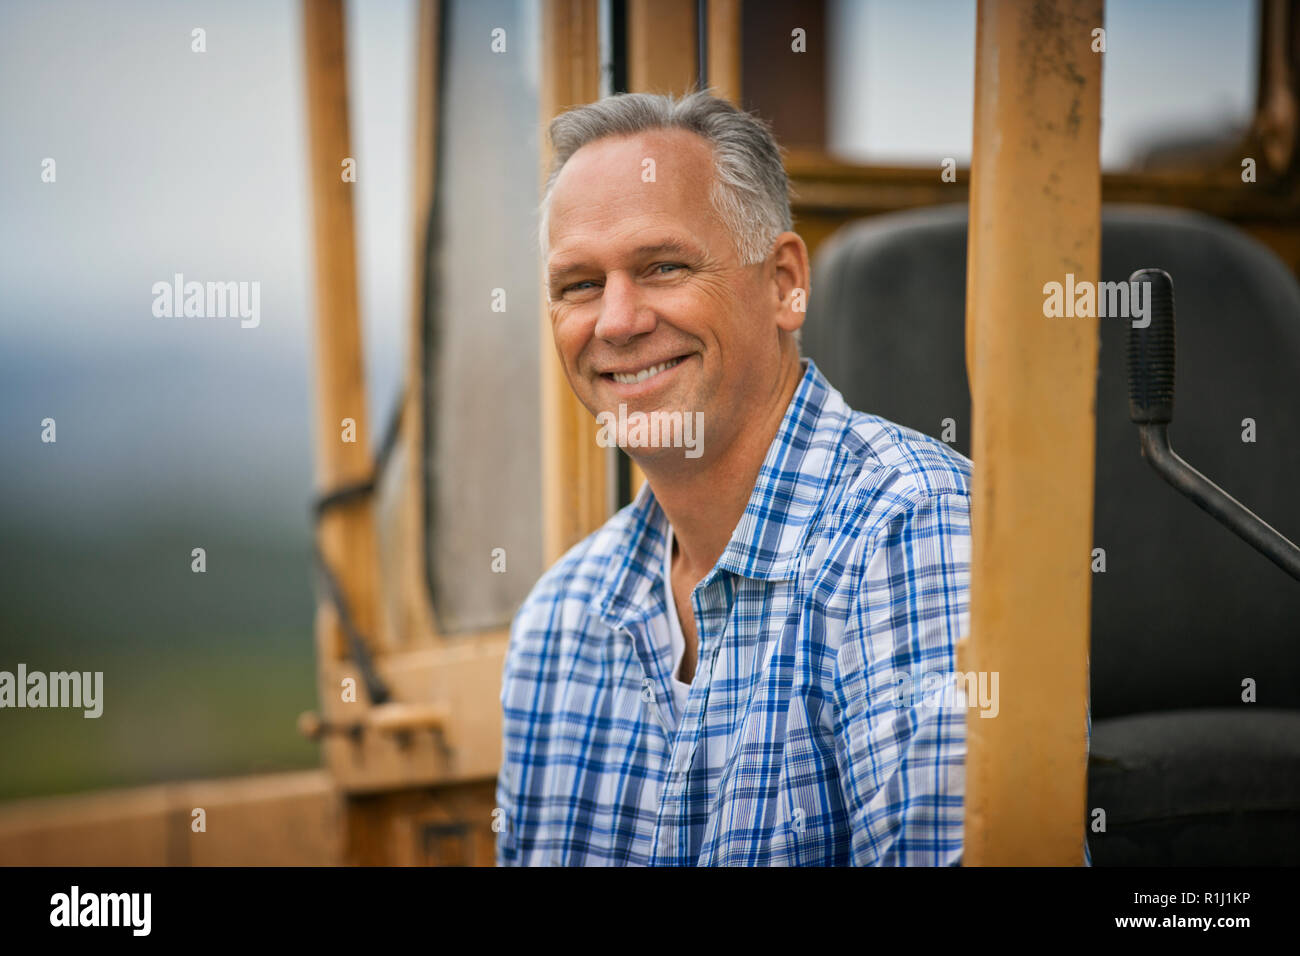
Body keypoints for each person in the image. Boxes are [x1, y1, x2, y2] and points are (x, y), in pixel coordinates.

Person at [496, 90, 973, 866]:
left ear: (785, 281)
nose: (616, 321)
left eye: (664, 266)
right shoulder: (557, 625)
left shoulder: (915, 531)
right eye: (579, 284)